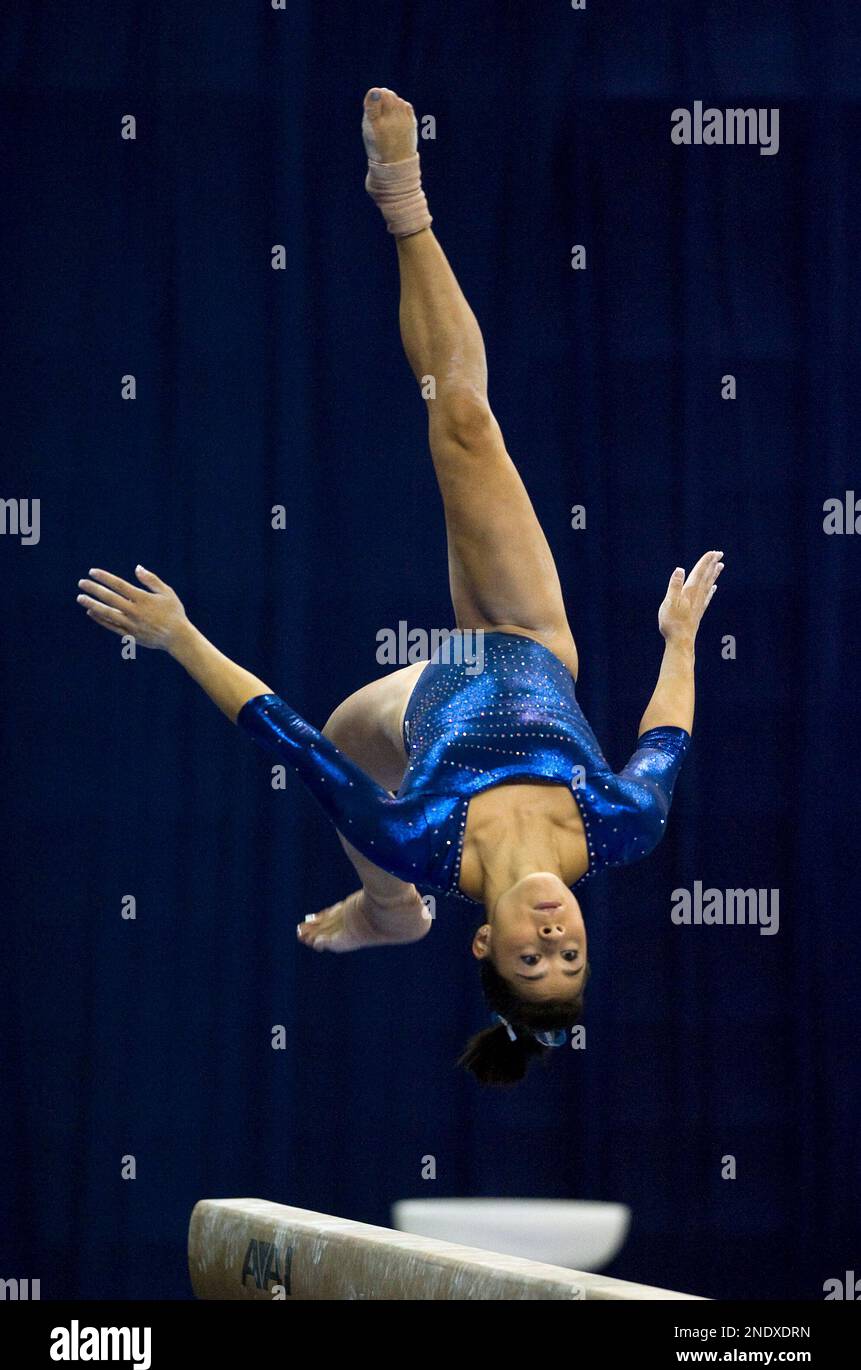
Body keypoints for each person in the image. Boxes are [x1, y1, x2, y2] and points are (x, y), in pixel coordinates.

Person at [77, 88, 723, 1085]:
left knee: (340, 746)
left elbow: (284, 735)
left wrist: (179, 635)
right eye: (571, 953)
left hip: (417, 697)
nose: (553, 935)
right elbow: (667, 737)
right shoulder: (620, 827)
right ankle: (402, 197)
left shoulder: (424, 838)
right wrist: (679, 639)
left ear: (486, 945)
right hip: (528, 639)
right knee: (464, 419)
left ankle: (387, 912)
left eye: (530, 957)